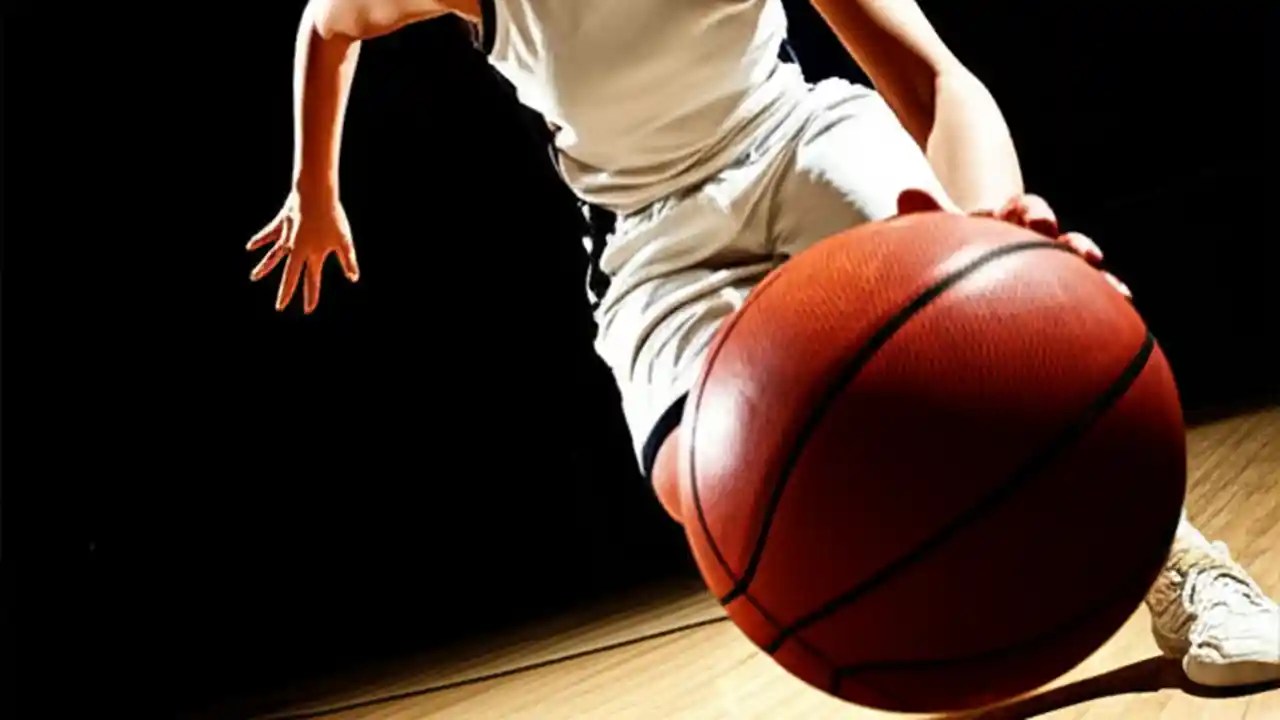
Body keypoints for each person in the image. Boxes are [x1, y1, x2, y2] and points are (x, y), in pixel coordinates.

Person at [247, 0, 1280, 688]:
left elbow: (931, 81)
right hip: (648, 231)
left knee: (1001, 329)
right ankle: (931, 613)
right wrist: (313, 187)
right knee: (721, 482)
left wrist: (996, 231)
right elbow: (326, 23)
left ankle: (1182, 568)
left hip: (795, 142)